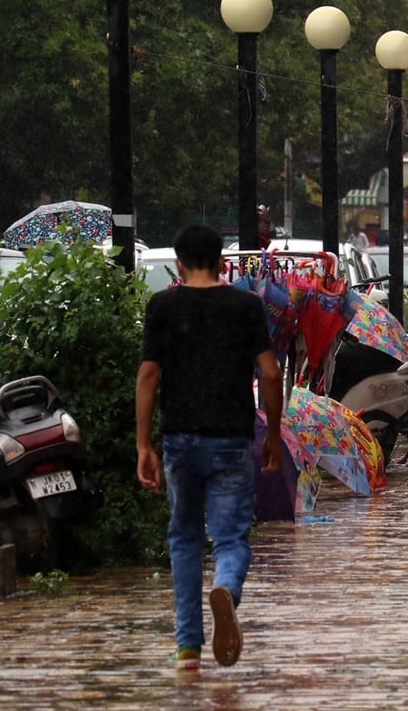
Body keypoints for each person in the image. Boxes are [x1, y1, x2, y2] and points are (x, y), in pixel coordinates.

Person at [135, 224, 284, 671]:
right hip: (231, 438)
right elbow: (271, 373)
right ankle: (226, 588)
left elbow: (148, 375)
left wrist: (143, 443)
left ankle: (187, 646)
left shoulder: (162, 306)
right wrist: (273, 435)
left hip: (179, 438)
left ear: (178, 264)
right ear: (222, 263)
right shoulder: (246, 306)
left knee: (184, 536)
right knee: (231, 537)